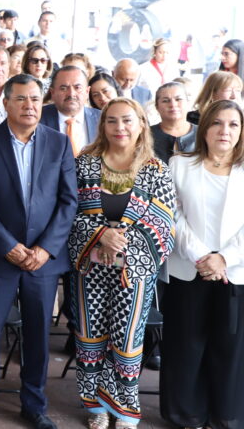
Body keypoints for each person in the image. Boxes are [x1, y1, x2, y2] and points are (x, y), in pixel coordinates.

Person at [0, 74, 78, 429]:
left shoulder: (58, 144)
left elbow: (68, 201)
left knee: (38, 335)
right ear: (7, 104)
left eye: (35, 99)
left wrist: (45, 249)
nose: (30, 106)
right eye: (22, 100)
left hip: (43, 260)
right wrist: (9, 246)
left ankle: (34, 404)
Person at [67, 98, 174, 429]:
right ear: (103, 126)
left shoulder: (156, 170)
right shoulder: (84, 164)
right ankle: (96, 405)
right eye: (111, 121)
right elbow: (68, 214)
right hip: (90, 269)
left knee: (126, 341)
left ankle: (124, 409)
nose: (119, 128)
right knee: (90, 337)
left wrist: (123, 243)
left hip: (135, 271)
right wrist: (100, 235)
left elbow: (164, 223)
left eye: (127, 120)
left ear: (141, 123)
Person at [163, 99, 244, 429]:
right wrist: (203, 257)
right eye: (217, 123)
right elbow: (173, 216)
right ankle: (187, 414)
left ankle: (227, 415)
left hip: (235, 271)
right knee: (187, 344)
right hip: (189, 268)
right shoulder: (179, 164)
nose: (225, 131)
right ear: (204, 128)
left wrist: (224, 258)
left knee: (230, 348)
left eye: (233, 125)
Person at [151, 81, 196, 163]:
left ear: (188, 103)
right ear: (157, 107)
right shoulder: (146, 136)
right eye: (165, 101)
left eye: (178, 99)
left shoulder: (203, 134)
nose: (173, 104)